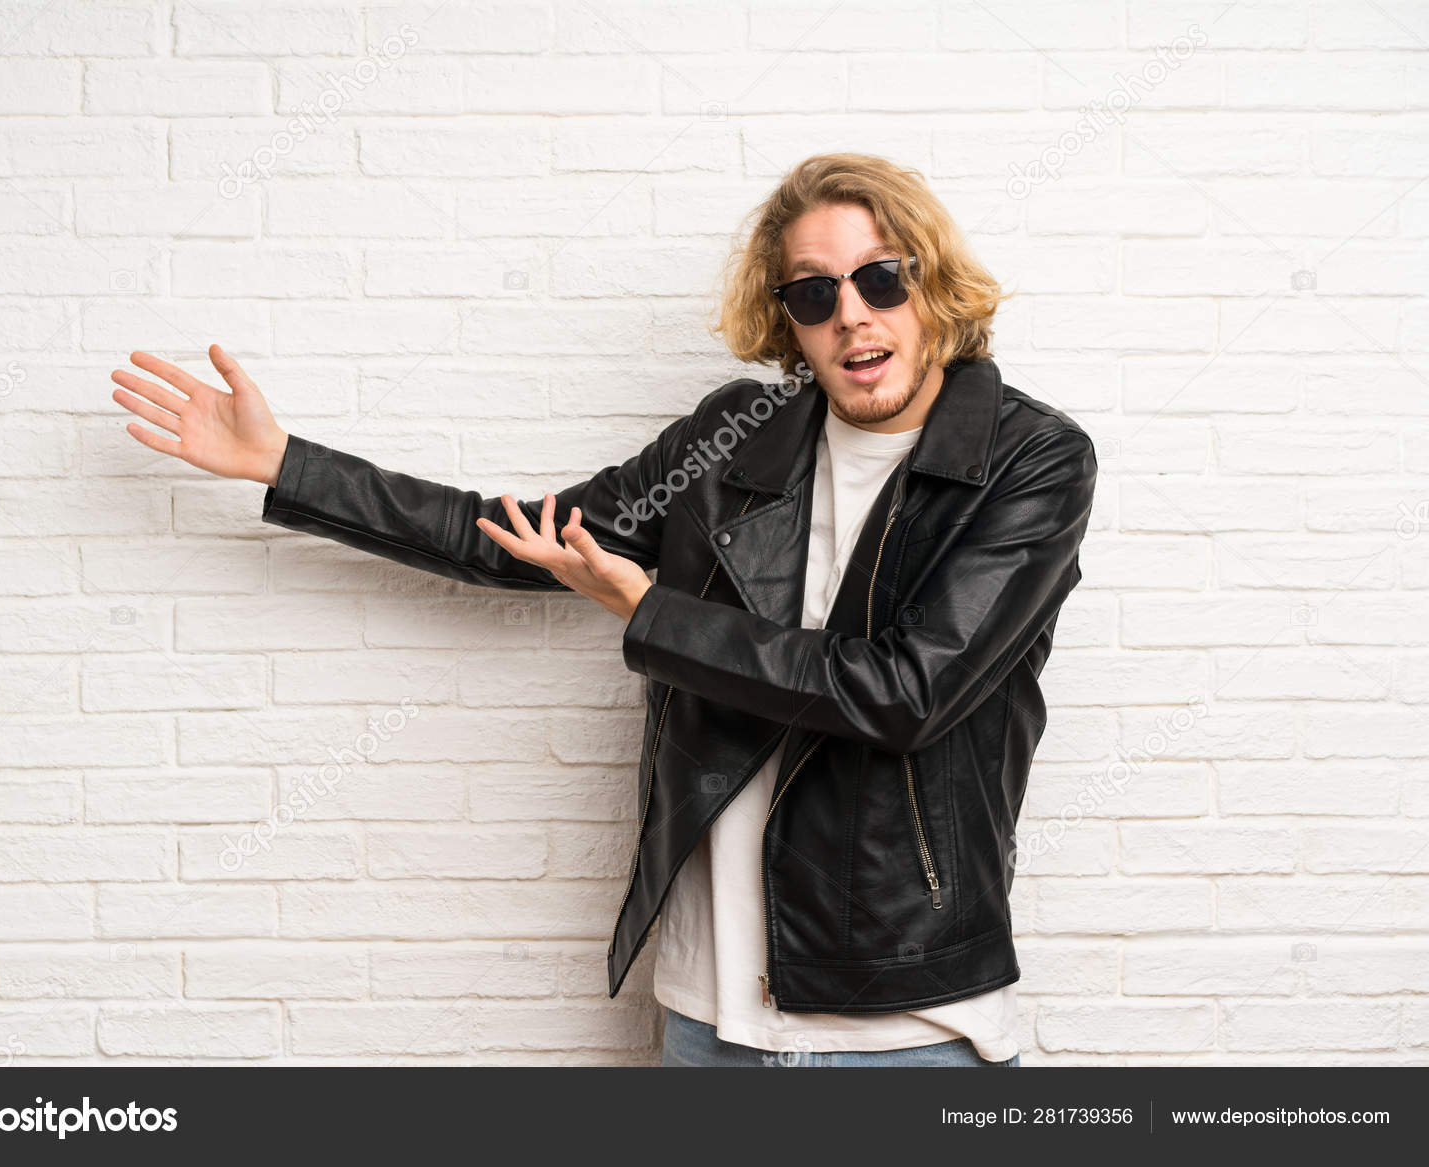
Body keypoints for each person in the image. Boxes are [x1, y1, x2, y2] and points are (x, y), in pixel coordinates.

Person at [110, 153, 1095, 1068]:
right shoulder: (737, 437)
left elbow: (905, 694)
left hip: (903, 1024)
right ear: (785, 317)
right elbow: (521, 540)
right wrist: (287, 466)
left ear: (933, 284)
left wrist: (653, 614)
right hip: (707, 1020)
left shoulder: (1029, 460)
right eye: (813, 291)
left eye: (883, 277)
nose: (851, 314)